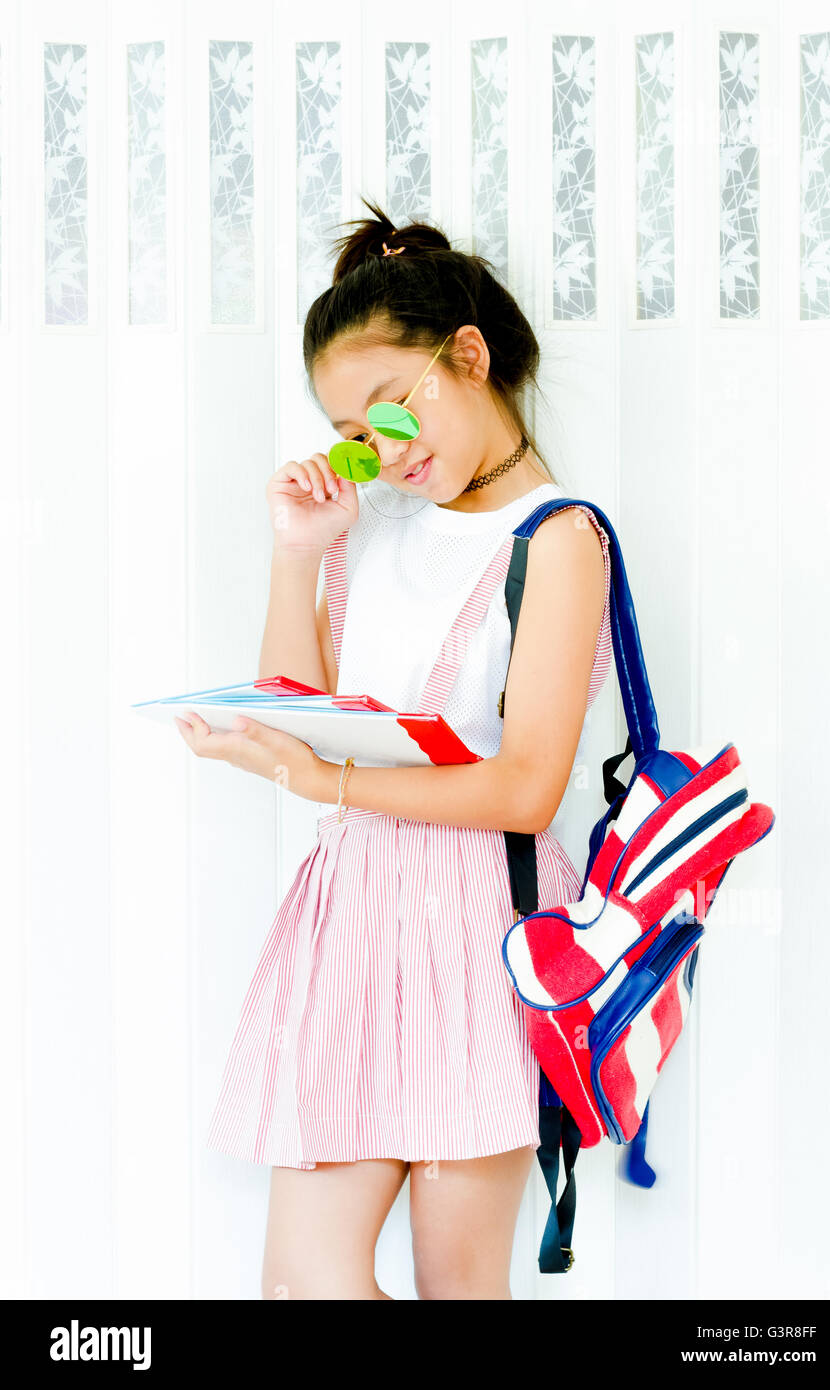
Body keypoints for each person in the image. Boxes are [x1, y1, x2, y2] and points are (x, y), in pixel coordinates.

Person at [175, 198, 613, 1300]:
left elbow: (524, 790)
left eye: (393, 407)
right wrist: (297, 553)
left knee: (457, 1288)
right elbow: (290, 710)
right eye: (353, 430)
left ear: (466, 357)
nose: (381, 448)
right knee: (303, 1283)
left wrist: (323, 780)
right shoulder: (370, 528)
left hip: (481, 920)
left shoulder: (558, 539)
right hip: (355, 912)